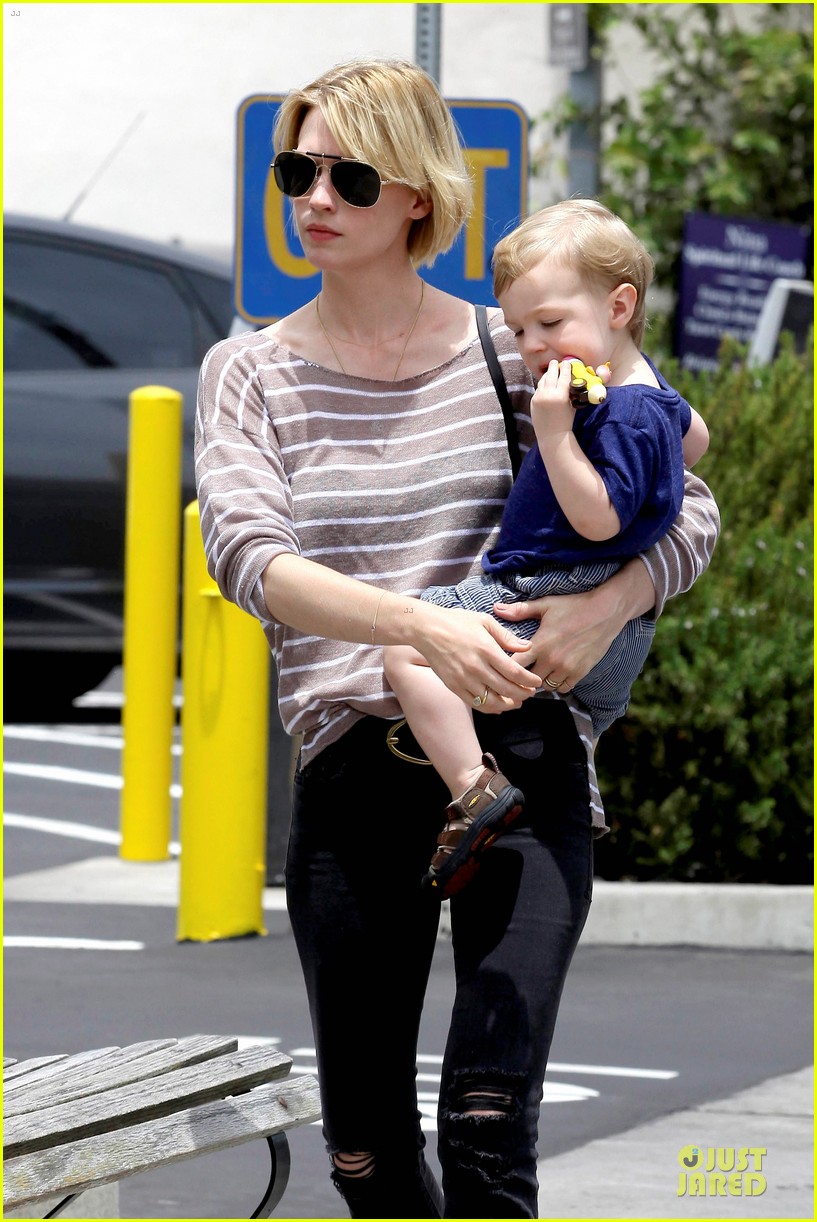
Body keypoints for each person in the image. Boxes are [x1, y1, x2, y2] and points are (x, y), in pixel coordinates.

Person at [195, 57, 719, 1220]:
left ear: (418, 194)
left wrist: (611, 602)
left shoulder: (519, 343)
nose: (313, 196)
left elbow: (686, 501)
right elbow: (249, 559)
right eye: (297, 169)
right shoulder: (250, 374)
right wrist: (420, 622)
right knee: (370, 1153)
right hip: (351, 777)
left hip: (522, 766)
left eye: (347, 174)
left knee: (487, 1132)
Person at [383, 200, 710, 900]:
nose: (532, 346)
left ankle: (473, 788)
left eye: (550, 324)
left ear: (619, 306)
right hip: (611, 627)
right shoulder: (645, 393)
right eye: (519, 329)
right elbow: (696, 441)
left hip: (548, 584)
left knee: (408, 648)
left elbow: (597, 520)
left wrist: (555, 434)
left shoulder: (610, 411)